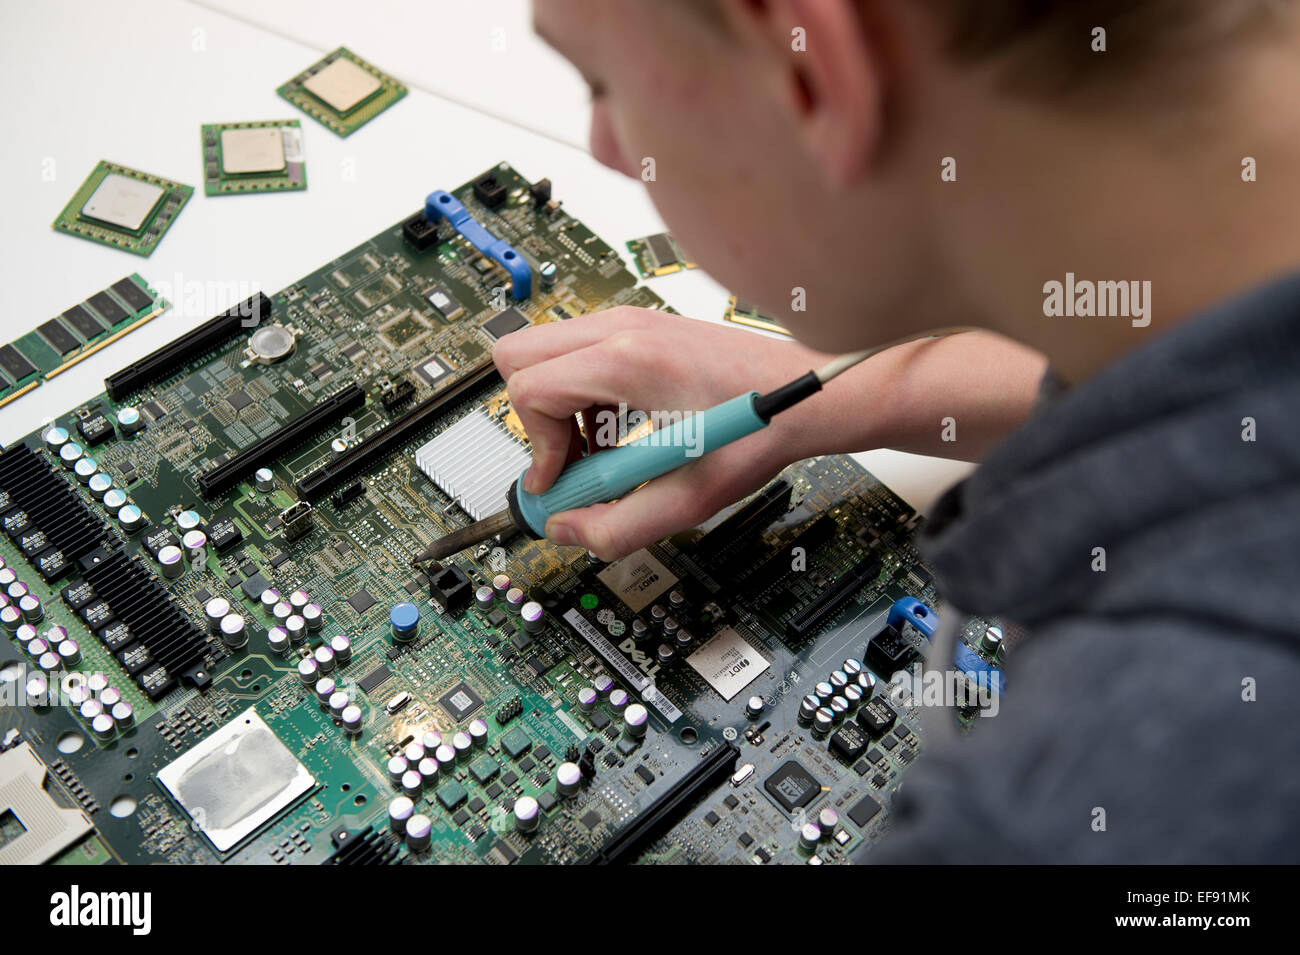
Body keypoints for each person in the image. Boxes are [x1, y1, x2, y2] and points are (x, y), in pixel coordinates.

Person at [495, 0, 1300, 862]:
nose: (607, 146)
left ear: (810, 71)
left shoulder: (1052, 815)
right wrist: (845, 397)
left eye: (602, 83)